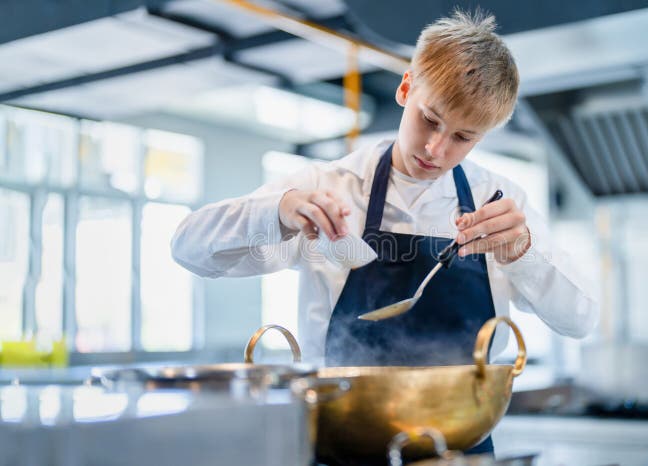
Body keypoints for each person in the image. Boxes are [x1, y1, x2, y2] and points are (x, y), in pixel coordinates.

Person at [171, 9, 598, 461]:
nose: (437, 149)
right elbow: (189, 249)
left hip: (459, 447)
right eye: (430, 120)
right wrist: (278, 211)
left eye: (463, 137)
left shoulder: (498, 203)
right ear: (406, 87)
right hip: (344, 442)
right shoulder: (332, 186)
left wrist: (522, 251)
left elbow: (580, 321)